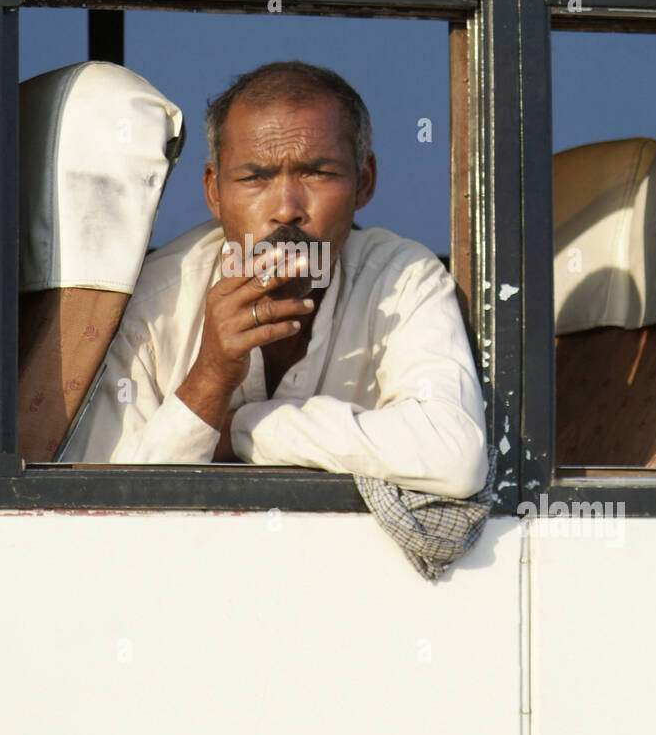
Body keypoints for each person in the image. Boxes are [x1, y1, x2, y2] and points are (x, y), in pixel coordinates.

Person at [62, 61, 488, 497]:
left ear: (364, 182)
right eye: (254, 178)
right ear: (214, 192)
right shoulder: (156, 302)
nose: (286, 208)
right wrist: (209, 379)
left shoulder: (401, 280)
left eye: (317, 173)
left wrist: (243, 429)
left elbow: (454, 457)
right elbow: (106, 507)